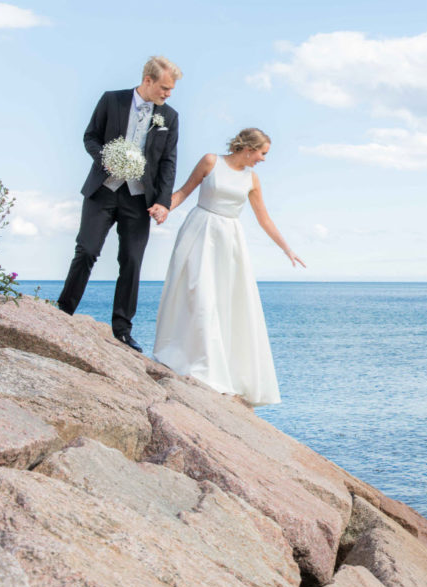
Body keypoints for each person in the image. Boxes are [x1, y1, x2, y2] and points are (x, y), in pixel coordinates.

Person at [151, 128, 304, 406]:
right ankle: (196, 364)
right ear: (248, 148)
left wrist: (287, 249)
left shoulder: (252, 179)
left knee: (221, 303)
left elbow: (264, 219)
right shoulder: (211, 161)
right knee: (198, 296)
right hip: (200, 230)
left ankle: (218, 370)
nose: (264, 159)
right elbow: (184, 191)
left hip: (229, 242)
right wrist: (163, 208)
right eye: (263, 153)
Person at [57, 56, 181, 352]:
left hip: (140, 200)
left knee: (132, 262)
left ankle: (122, 330)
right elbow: (90, 137)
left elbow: (168, 163)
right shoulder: (111, 100)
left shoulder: (170, 117)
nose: (168, 94)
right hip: (103, 190)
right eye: (164, 87)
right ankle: (62, 312)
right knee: (86, 250)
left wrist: (163, 202)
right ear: (147, 80)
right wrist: (107, 159)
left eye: (171, 89)